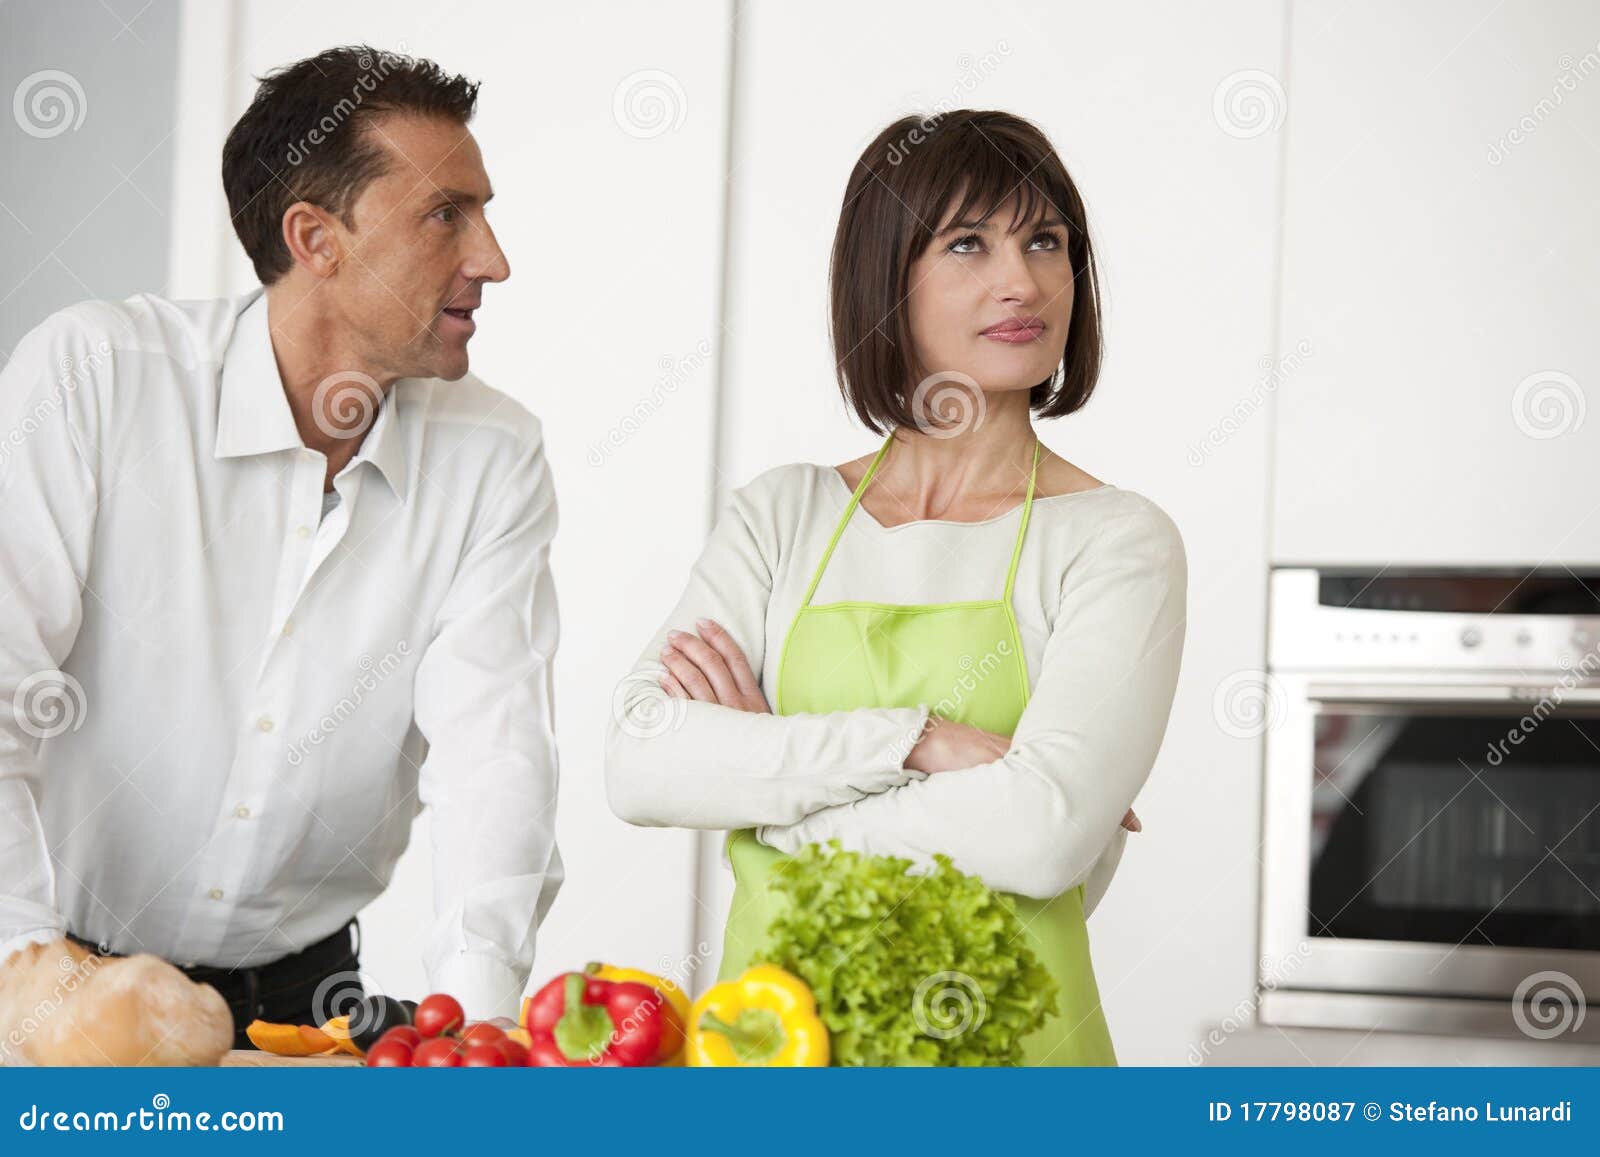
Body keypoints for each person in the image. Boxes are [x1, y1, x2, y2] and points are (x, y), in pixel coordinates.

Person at [0, 46, 562, 1049]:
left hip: (306, 1008)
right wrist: (31, 975)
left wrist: (480, 1025)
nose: (493, 258)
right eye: (447, 216)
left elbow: (494, 754)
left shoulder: (494, 453)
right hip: (56, 987)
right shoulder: (96, 377)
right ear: (316, 237)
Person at [605, 109, 1187, 1066]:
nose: (1025, 281)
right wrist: (917, 742)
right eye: (969, 243)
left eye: (1047, 240)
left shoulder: (1117, 541)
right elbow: (640, 763)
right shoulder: (781, 517)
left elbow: (1041, 839)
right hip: (770, 1060)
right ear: (886, 279)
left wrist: (762, 791)